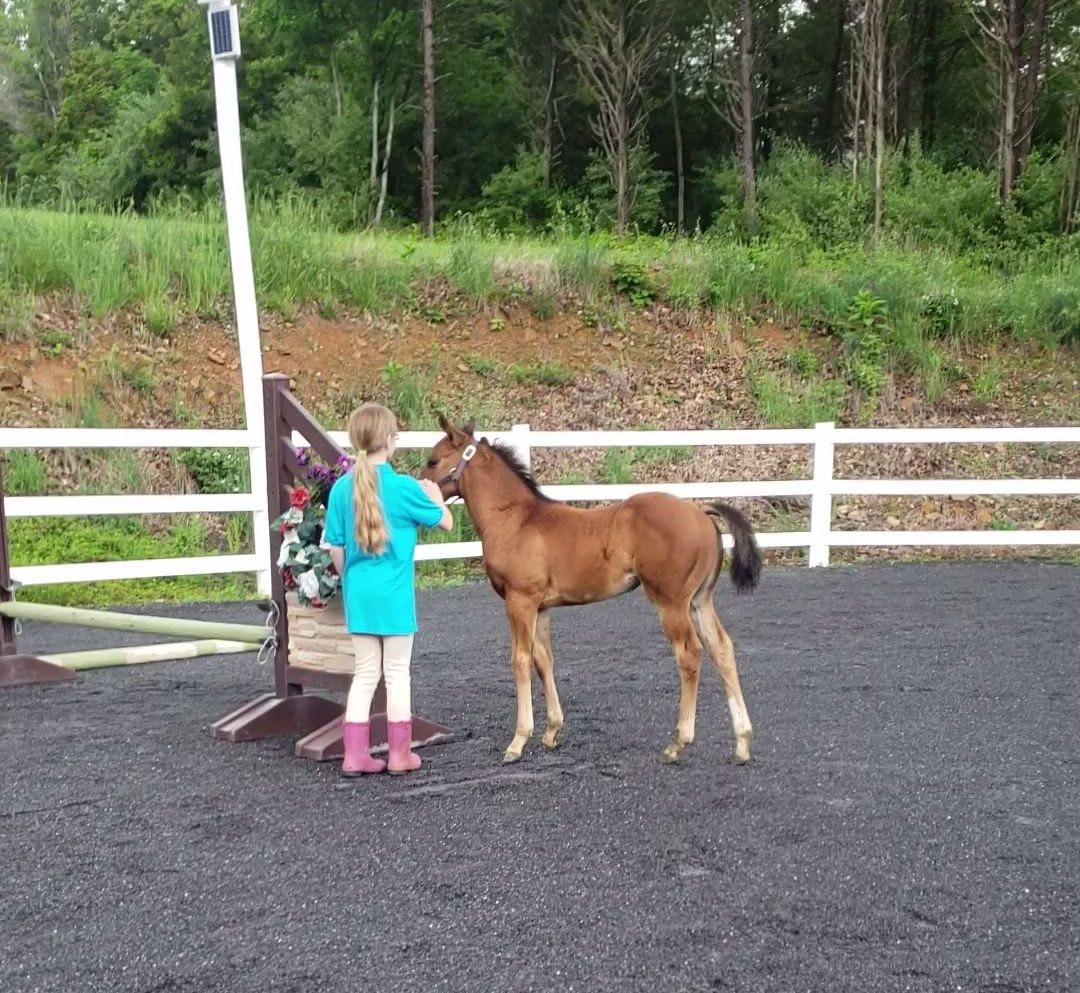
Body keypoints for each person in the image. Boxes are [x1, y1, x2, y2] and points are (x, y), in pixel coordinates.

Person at [323, 402, 452, 776]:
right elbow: (444, 522)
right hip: (395, 597)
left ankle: (355, 755)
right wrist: (436, 497)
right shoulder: (404, 489)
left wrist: (351, 580)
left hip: (359, 595)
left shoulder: (341, 490)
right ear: (391, 442)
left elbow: (335, 548)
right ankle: (399, 755)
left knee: (365, 674)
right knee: (397, 674)